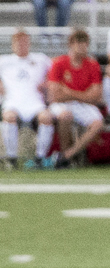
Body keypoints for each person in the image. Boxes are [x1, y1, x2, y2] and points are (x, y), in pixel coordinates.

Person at [47, 27, 103, 165]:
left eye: (85, 44)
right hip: (62, 105)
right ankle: (66, 157)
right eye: (79, 43)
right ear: (71, 45)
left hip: (82, 104)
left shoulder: (92, 65)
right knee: (65, 116)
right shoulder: (59, 63)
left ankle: (67, 154)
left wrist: (69, 92)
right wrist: (84, 94)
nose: (83, 47)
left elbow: (95, 96)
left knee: (98, 123)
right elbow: (55, 95)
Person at [0, 28, 56, 168]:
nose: (22, 44)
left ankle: (39, 158)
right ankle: (11, 158)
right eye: (18, 41)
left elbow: (56, 70)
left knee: (46, 117)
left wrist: (47, 82)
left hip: (34, 103)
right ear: (13, 44)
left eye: (25, 41)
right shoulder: (4, 61)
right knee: (9, 117)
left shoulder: (40, 59)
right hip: (13, 102)